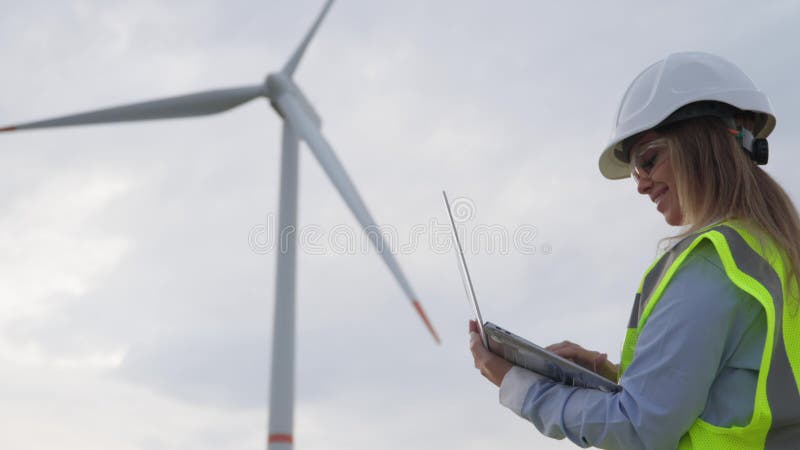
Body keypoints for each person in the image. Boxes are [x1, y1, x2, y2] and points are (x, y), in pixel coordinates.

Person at [469, 51, 800, 449]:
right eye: (635, 171)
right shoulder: (775, 252)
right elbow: (735, 395)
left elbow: (639, 429)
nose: (640, 184)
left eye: (649, 160)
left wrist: (519, 385)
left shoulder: (712, 264)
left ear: (701, 144)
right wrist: (610, 377)